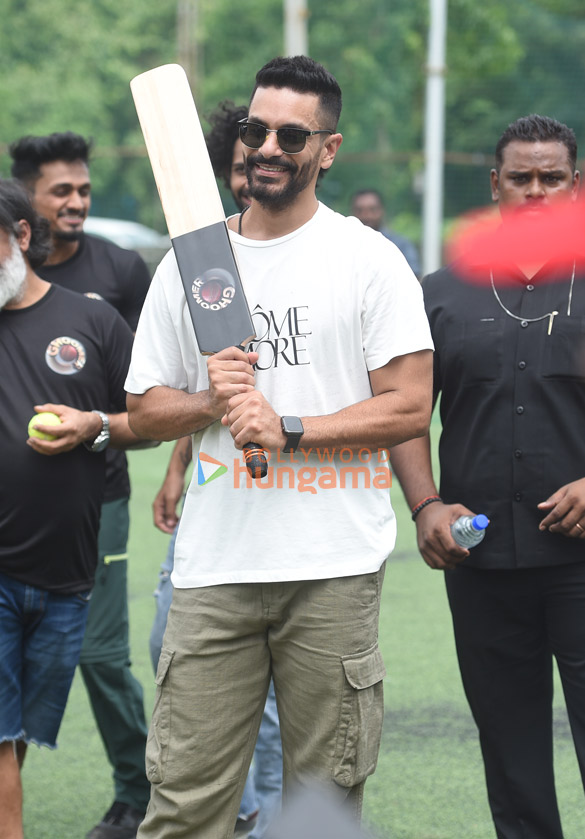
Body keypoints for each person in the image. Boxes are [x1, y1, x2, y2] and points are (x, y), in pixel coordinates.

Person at [126, 55, 433, 839]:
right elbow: (144, 404)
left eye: (290, 134)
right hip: (214, 569)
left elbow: (408, 405)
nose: (266, 146)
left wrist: (288, 427)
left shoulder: (368, 260)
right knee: (184, 801)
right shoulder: (189, 265)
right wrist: (209, 400)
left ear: (326, 150)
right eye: (255, 129)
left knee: (320, 803)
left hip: (330, 567)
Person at [390, 114, 585, 839]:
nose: (535, 192)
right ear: (494, 186)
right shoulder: (438, 292)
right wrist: (424, 504)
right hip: (478, 558)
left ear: (575, 187)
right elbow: (406, 414)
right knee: (510, 751)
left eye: (552, 178)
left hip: (581, 561)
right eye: (521, 178)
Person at [10, 132, 152, 839]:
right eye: (60, 190)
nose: (77, 202)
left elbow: (156, 395)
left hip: (104, 500)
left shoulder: (119, 272)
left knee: (100, 655)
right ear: (26, 206)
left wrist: (102, 427)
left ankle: (137, 790)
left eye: (84, 190)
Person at [149, 101, 282, 838]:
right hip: (212, 488)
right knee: (166, 641)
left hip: (288, 499)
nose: (246, 181)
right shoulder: (205, 264)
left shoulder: (293, 254)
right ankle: (235, 806)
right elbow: (201, 389)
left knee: (264, 687)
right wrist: (177, 467)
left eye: (251, 167)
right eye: (233, 169)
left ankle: (261, 811)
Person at [350, 188, 420, 277]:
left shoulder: (401, 245)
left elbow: (414, 279)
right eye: (360, 210)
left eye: (372, 210)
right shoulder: (343, 245)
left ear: (382, 211)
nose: (366, 215)